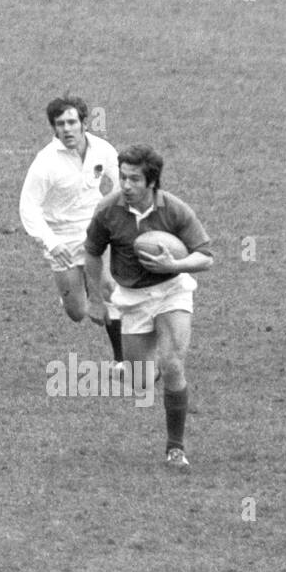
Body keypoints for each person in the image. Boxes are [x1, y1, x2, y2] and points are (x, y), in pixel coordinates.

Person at [84, 145, 212, 469]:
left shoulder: (175, 210)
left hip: (172, 291)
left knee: (172, 364)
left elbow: (206, 257)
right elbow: (92, 252)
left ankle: (175, 448)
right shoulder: (107, 211)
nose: (126, 185)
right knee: (140, 382)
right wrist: (96, 300)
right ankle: (141, 370)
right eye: (123, 177)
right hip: (133, 299)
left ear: (151, 181)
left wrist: (176, 262)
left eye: (135, 179)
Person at [19, 97, 123, 361]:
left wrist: (115, 215)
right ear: (54, 129)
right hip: (61, 240)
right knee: (77, 313)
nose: (66, 129)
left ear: (84, 124)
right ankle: (74, 294)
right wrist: (52, 243)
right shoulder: (45, 163)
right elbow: (28, 207)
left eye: (71, 122)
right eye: (60, 124)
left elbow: (122, 182)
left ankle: (123, 362)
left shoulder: (103, 150)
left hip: (94, 232)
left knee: (109, 289)